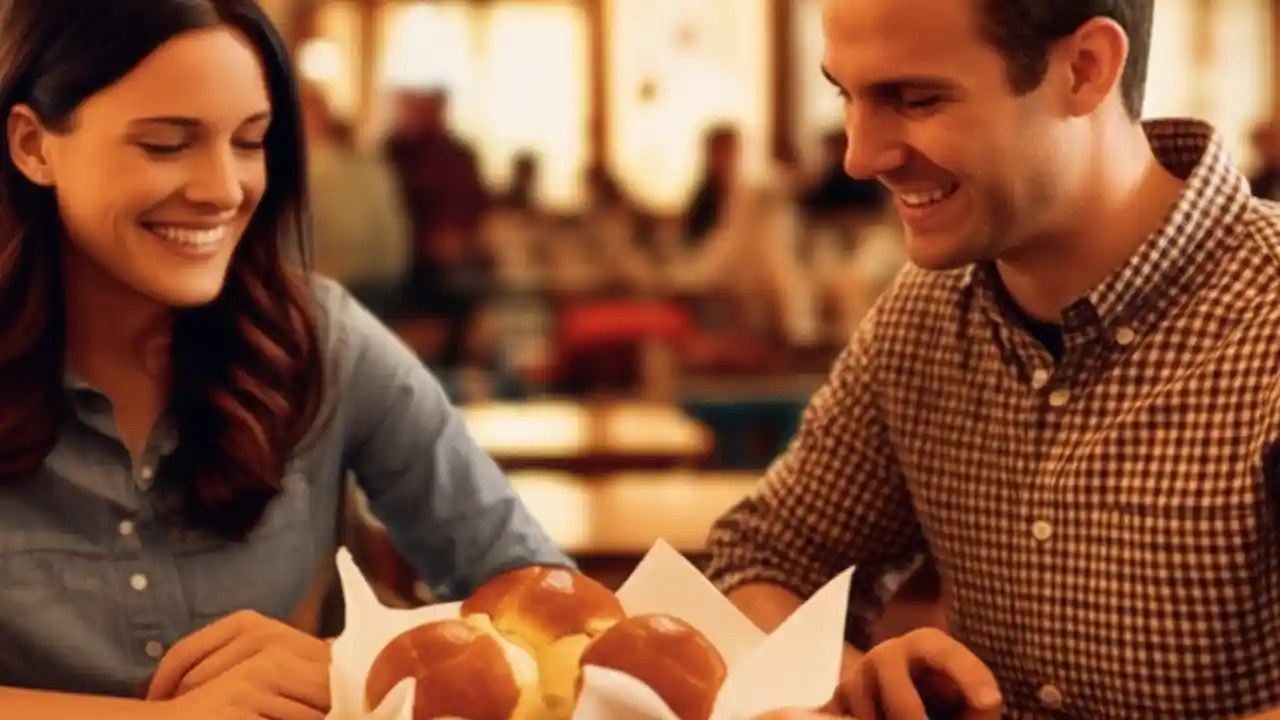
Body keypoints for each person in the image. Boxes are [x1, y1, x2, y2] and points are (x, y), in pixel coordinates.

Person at [705, 0, 1280, 718]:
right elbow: (763, 559)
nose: (859, 155)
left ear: (1085, 69)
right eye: (846, 96)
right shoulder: (927, 316)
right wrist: (861, 685)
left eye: (915, 99)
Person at [0, 1, 570, 717]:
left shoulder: (323, 342)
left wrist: (353, 664)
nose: (223, 189)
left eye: (249, 141)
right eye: (166, 144)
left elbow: (553, 610)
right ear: (32, 146)